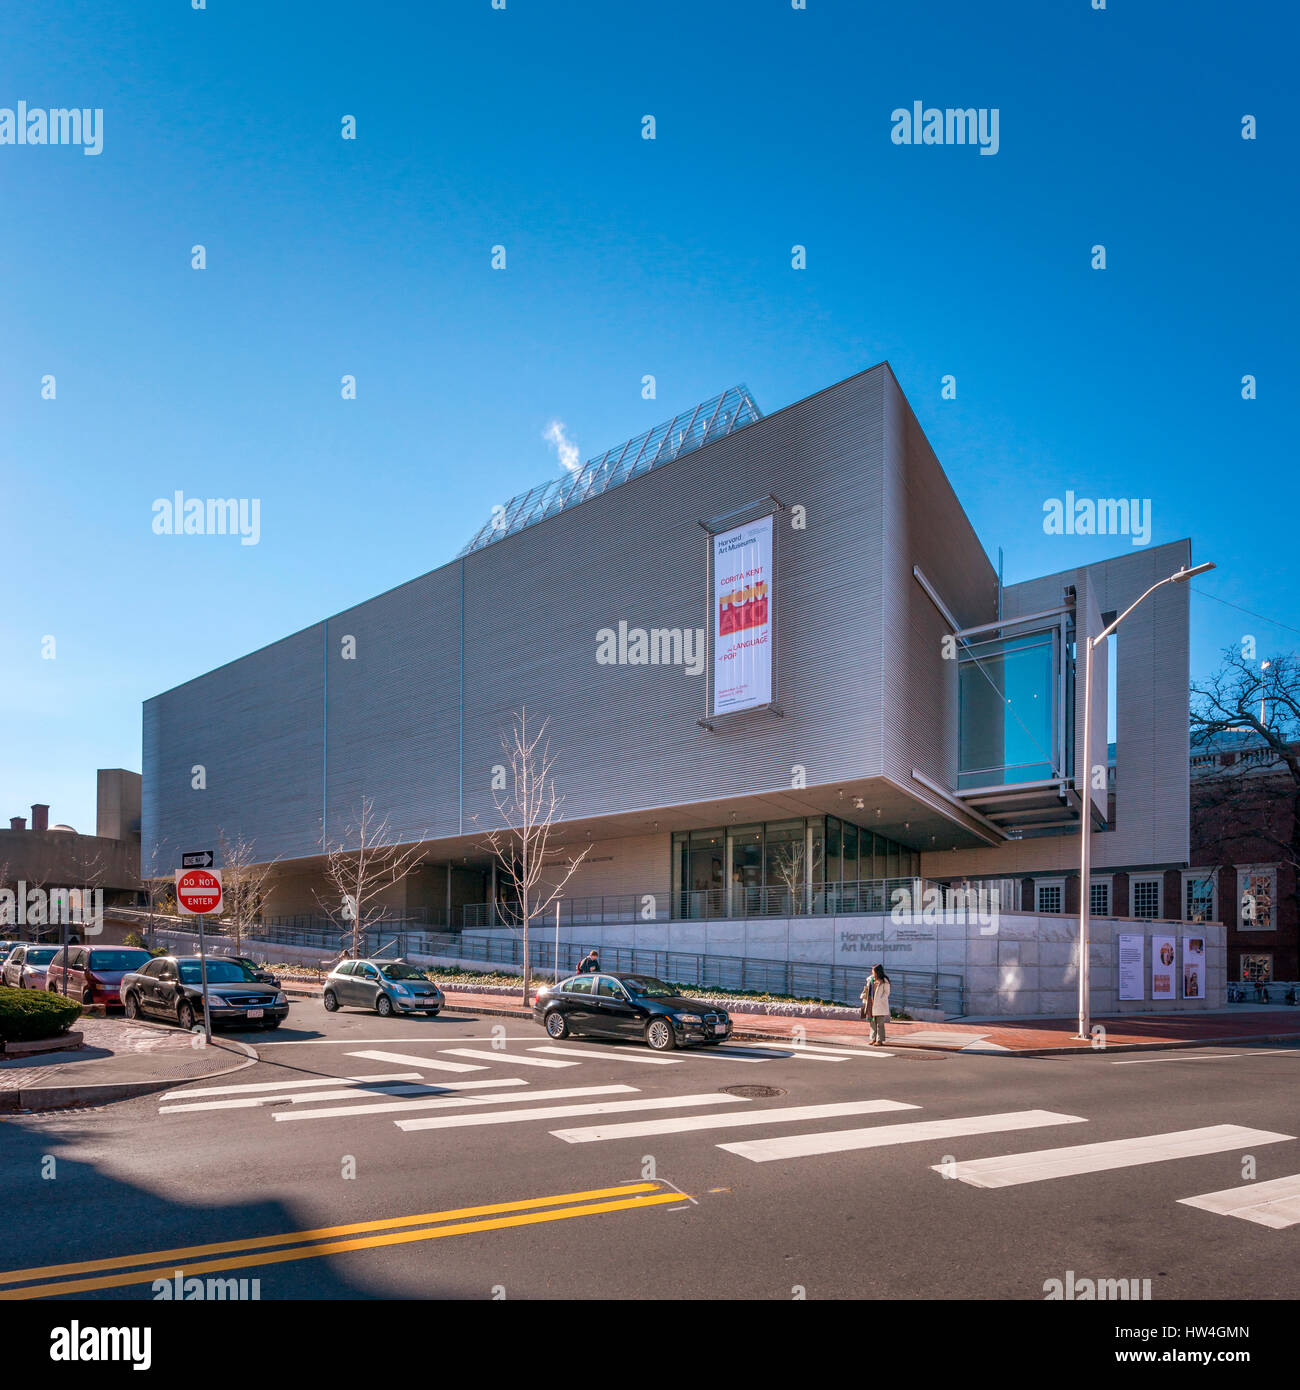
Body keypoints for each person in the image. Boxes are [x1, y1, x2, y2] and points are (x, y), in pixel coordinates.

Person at [866, 963, 891, 1045]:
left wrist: (880, 1000)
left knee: (880, 1023)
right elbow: (867, 990)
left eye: (873, 970)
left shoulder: (884, 981)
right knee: (872, 1023)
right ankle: (873, 1039)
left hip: (880, 1005)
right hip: (871, 1003)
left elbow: (886, 992)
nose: (872, 972)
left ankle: (879, 1040)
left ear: (878, 971)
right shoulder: (870, 979)